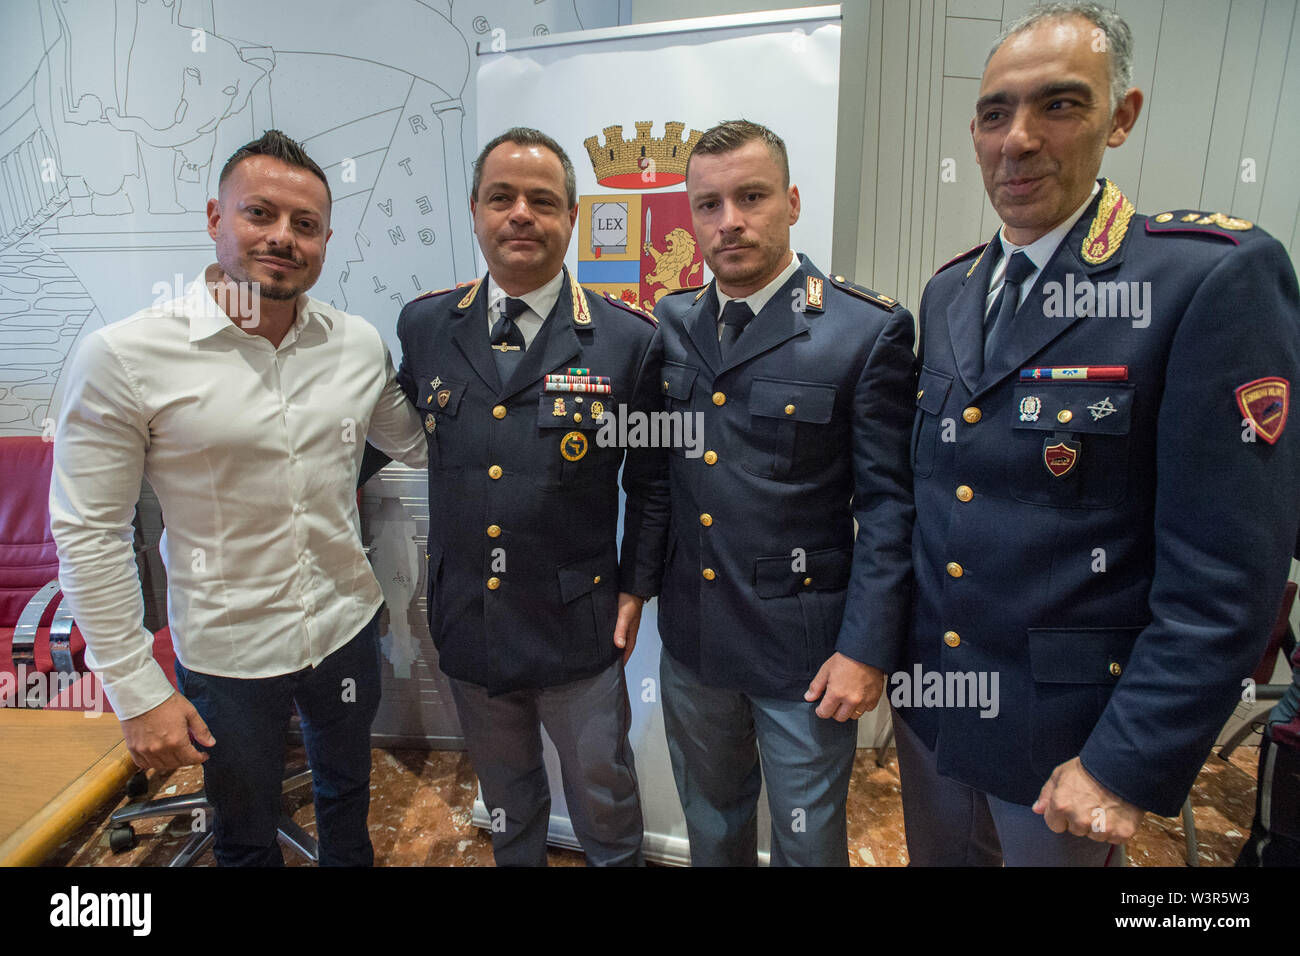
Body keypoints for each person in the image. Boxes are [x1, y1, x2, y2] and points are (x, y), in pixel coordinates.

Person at [893, 1, 1300, 865]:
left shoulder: (1204, 279)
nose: (1018, 139)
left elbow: (1227, 576)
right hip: (934, 713)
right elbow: (941, 505)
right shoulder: (950, 290)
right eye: (995, 114)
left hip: (1070, 741)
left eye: (1060, 105)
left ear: (1121, 117)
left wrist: (1124, 762)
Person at [49, 130, 429, 867]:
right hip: (229, 652)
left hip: (346, 623)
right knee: (245, 833)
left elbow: (415, 443)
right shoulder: (124, 357)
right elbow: (89, 534)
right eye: (260, 213)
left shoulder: (356, 344)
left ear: (324, 242)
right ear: (215, 219)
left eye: (306, 224)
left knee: (348, 795)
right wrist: (137, 689)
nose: (283, 237)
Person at [394, 127, 668, 867]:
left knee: (603, 797)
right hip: (468, 614)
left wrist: (637, 587)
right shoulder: (426, 326)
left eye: (542, 201)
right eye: (501, 198)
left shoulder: (627, 340)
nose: (521, 214)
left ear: (572, 217)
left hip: (576, 622)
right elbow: (390, 432)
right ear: (475, 211)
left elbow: (651, 483)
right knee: (507, 800)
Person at [651, 120, 916, 866]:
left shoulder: (864, 331)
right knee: (712, 827)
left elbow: (890, 509)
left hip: (805, 652)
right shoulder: (671, 321)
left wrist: (865, 649)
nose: (729, 221)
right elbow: (660, 478)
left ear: (792, 202)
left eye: (752, 197)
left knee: (808, 842)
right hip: (695, 640)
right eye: (709, 204)